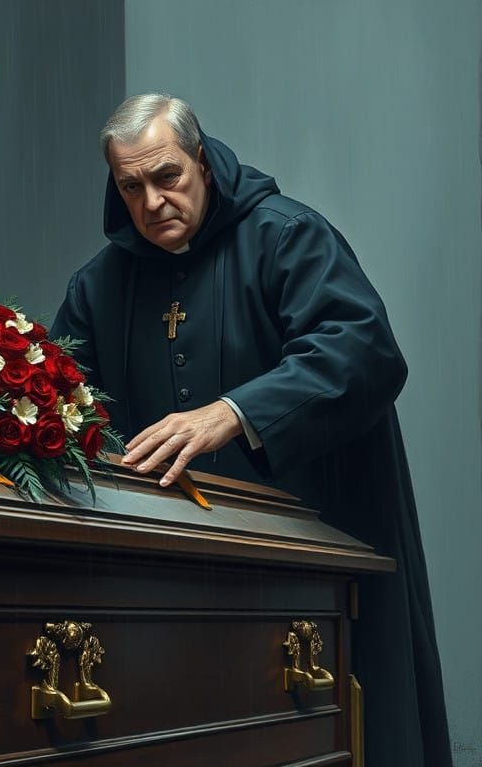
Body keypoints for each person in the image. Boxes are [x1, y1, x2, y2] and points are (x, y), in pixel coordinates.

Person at [52, 93, 451, 766]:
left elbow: (365, 349)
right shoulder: (99, 285)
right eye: (131, 186)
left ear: (203, 163)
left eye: (167, 177)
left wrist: (234, 412)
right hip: (174, 581)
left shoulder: (285, 234)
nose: (151, 202)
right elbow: (62, 397)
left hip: (318, 565)